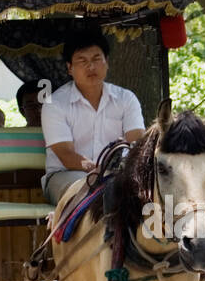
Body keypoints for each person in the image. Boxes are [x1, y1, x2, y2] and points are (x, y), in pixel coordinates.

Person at [41, 31, 145, 205]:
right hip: (65, 174)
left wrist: (117, 173)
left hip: (117, 174)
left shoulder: (126, 98)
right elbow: (66, 155)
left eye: (97, 59)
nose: (91, 67)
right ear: (69, 68)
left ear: (107, 62)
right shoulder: (55, 104)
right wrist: (100, 172)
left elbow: (137, 144)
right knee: (87, 192)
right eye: (82, 61)